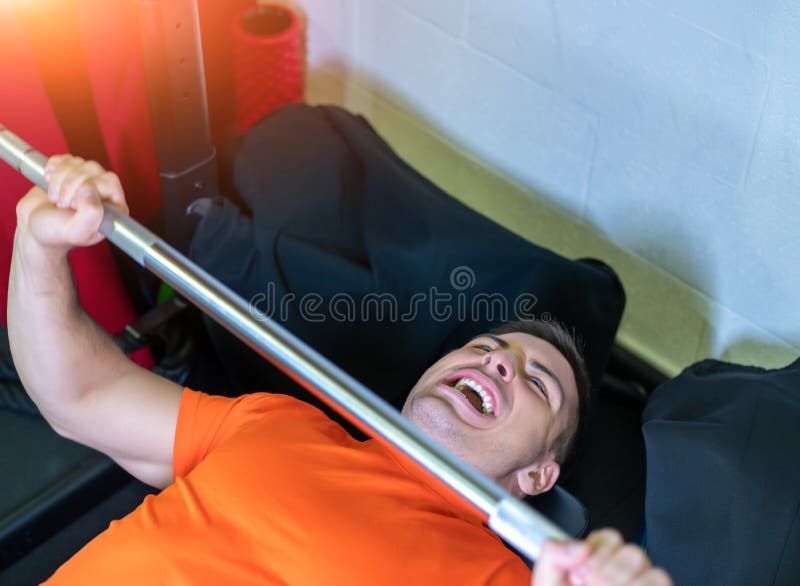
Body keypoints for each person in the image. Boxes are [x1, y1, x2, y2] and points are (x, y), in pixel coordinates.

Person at [7, 155, 673, 586]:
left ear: (538, 476)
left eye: (537, 383)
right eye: (484, 348)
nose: (498, 359)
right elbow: (81, 394)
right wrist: (38, 245)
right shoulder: (277, 421)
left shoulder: (500, 576)